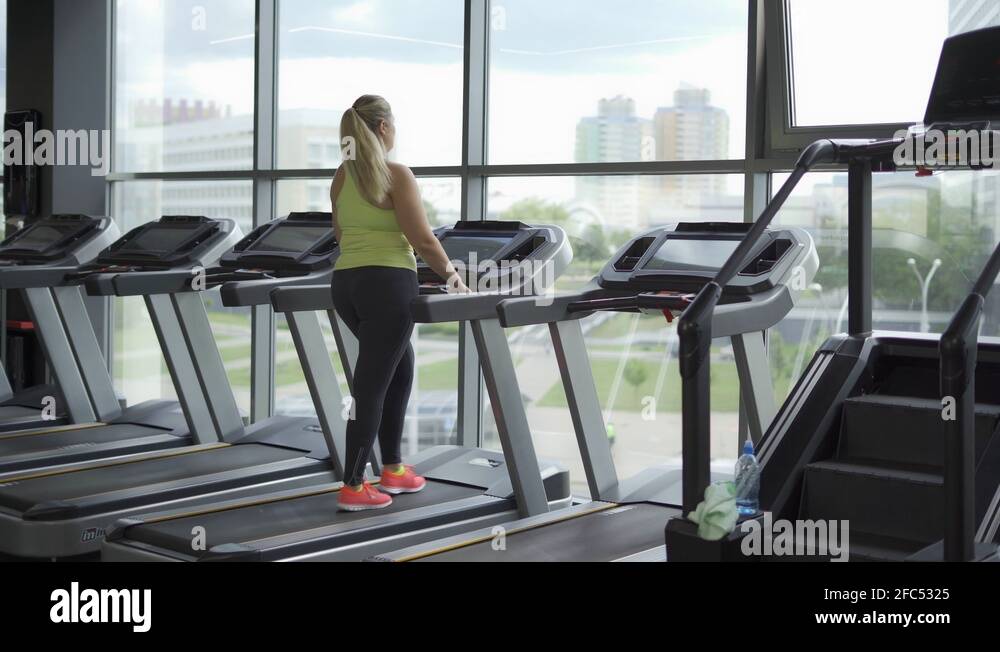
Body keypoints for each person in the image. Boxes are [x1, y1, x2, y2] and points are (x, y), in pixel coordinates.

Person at [331, 94, 470, 512]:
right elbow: (422, 239)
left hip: (347, 284)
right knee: (371, 386)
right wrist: (454, 277)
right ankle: (353, 485)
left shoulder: (341, 176)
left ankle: (392, 468)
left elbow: (341, 234)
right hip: (388, 285)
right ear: (384, 127)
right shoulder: (396, 174)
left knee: (399, 369)